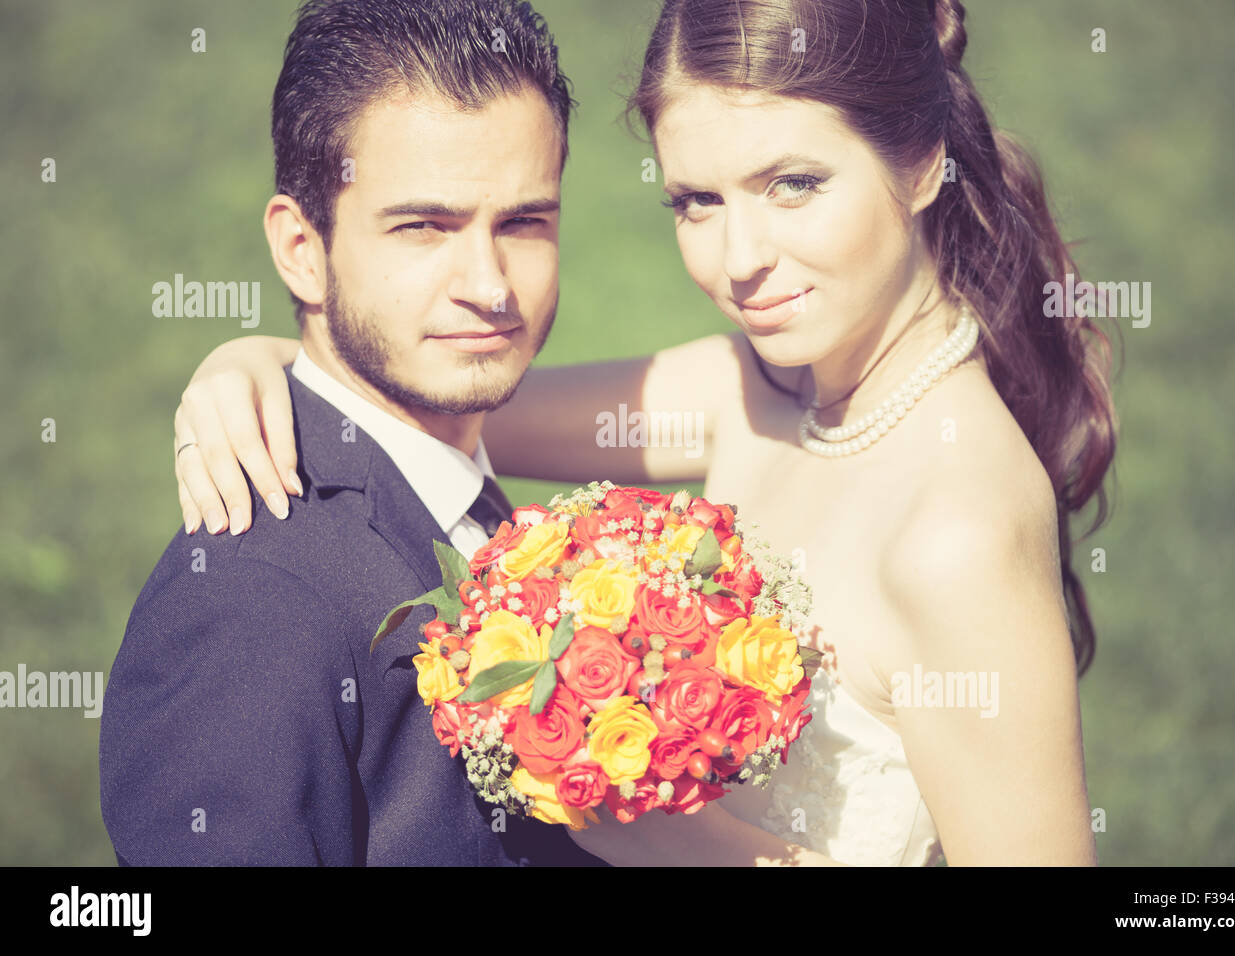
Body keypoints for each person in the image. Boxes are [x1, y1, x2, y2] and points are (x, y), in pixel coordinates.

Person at [169, 0, 1117, 865]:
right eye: (697, 201)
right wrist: (259, 359)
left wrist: (686, 842)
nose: (741, 260)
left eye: (792, 183)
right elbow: (431, 392)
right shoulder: (748, 394)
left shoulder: (957, 532)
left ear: (920, 165)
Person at [100, 0, 611, 866]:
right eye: (423, 226)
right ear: (302, 249)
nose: (489, 286)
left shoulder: (468, 496)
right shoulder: (250, 601)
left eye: (524, 222)